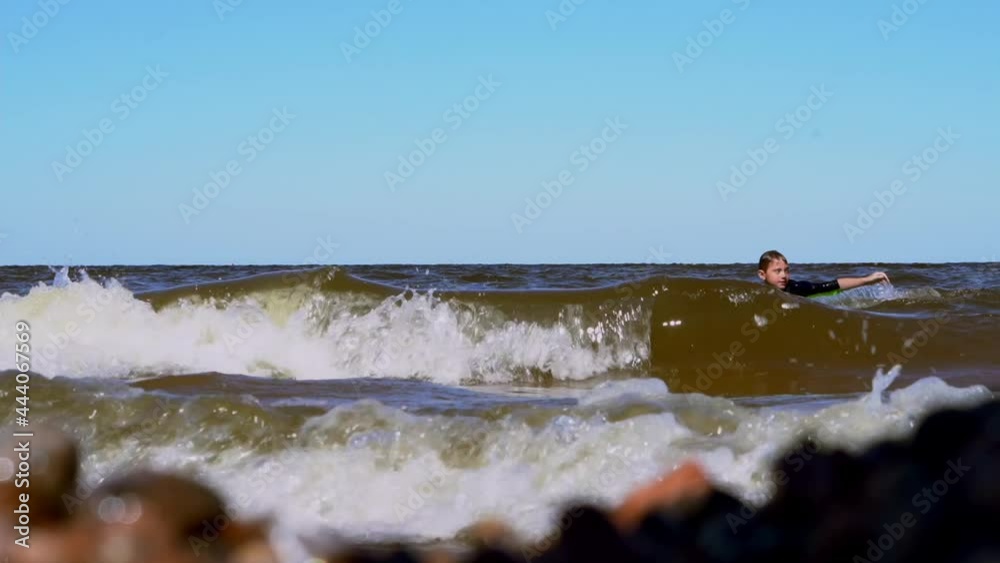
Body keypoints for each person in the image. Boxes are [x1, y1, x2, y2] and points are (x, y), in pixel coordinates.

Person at [757, 250, 890, 297]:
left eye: (786, 270)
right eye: (777, 271)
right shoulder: (757, 292)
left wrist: (867, 280)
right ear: (762, 275)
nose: (783, 275)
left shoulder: (797, 288)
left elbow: (831, 285)